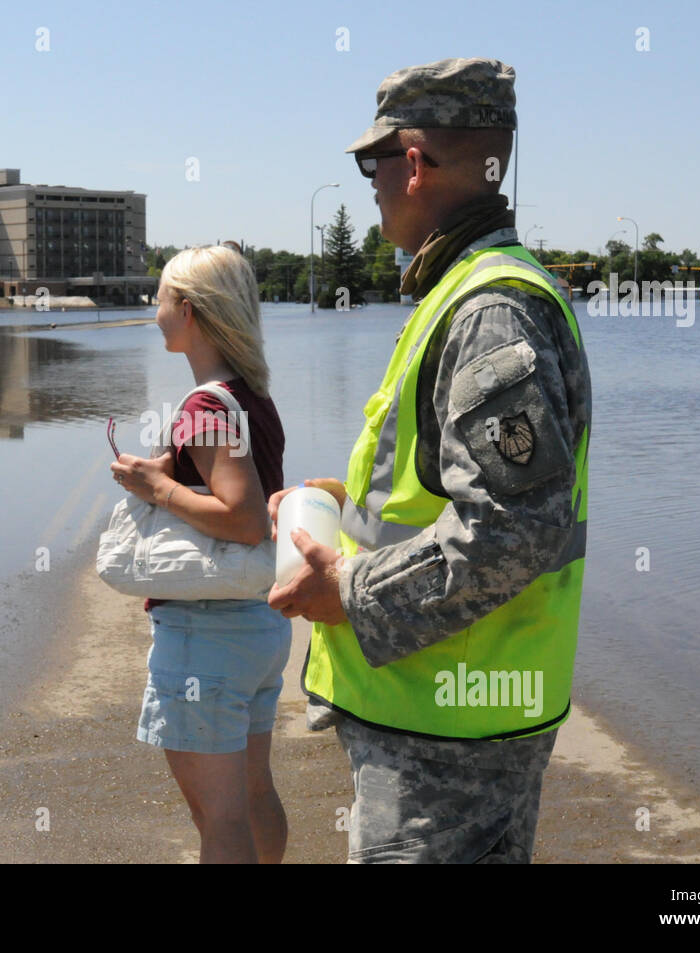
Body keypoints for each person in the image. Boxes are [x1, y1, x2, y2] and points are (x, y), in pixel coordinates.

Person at [267, 58, 592, 863]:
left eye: (370, 163)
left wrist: (345, 588)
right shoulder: (477, 291)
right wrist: (345, 504)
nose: (369, 184)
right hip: (459, 716)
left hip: (450, 734)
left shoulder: (489, 308)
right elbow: (459, 489)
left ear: (411, 164)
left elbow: (512, 531)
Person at [110, 244, 291, 864]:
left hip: (207, 632)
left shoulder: (204, 405)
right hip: (259, 623)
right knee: (250, 794)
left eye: (159, 298)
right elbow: (244, 493)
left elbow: (241, 517)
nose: (154, 309)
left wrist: (157, 487)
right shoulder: (249, 396)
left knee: (219, 818)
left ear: (186, 310)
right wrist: (171, 470)